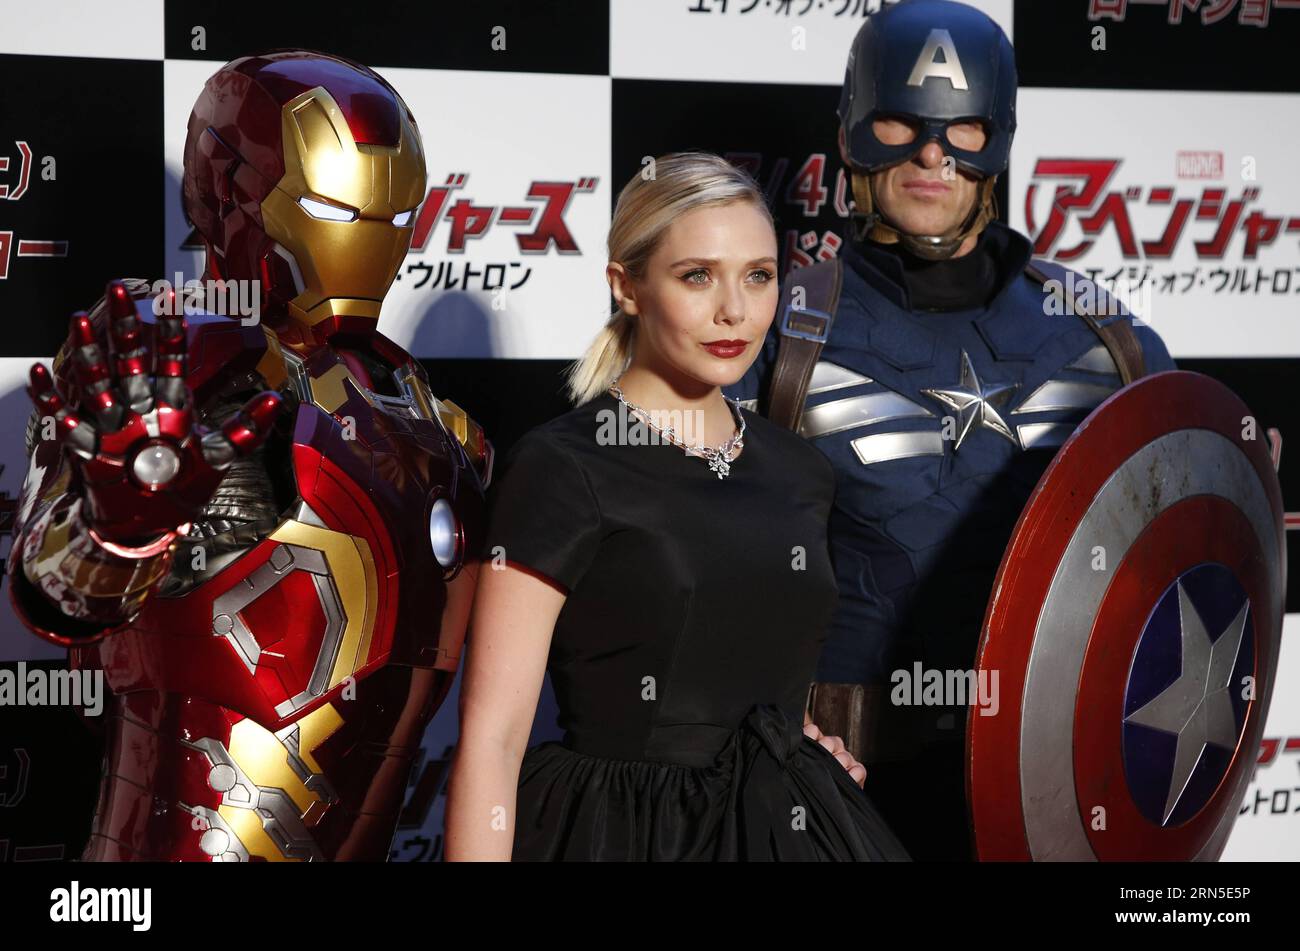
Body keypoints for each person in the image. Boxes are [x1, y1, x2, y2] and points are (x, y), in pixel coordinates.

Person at [8, 51, 490, 861]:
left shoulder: (439, 426)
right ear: (234, 195)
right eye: (328, 206)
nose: (366, 241)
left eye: (393, 216)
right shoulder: (179, 359)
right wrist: (122, 529)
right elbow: (55, 593)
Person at [728, 0, 1176, 860]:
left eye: (963, 129)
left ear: (999, 140)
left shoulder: (1102, 336)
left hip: (1060, 787)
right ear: (854, 135)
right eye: (900, 123)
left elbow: (1181, 544)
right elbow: (697, 566)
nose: (931, 155)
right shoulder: (779, 328)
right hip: (842, 795)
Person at [445, 152, 909, 861]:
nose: (735, 309)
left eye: (758, 275)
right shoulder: (564, 466)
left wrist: (805, 750)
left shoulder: (801, 472)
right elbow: (493, 737)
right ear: (626, 285)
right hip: (626, 834)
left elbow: (764, 678)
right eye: (697, 276)